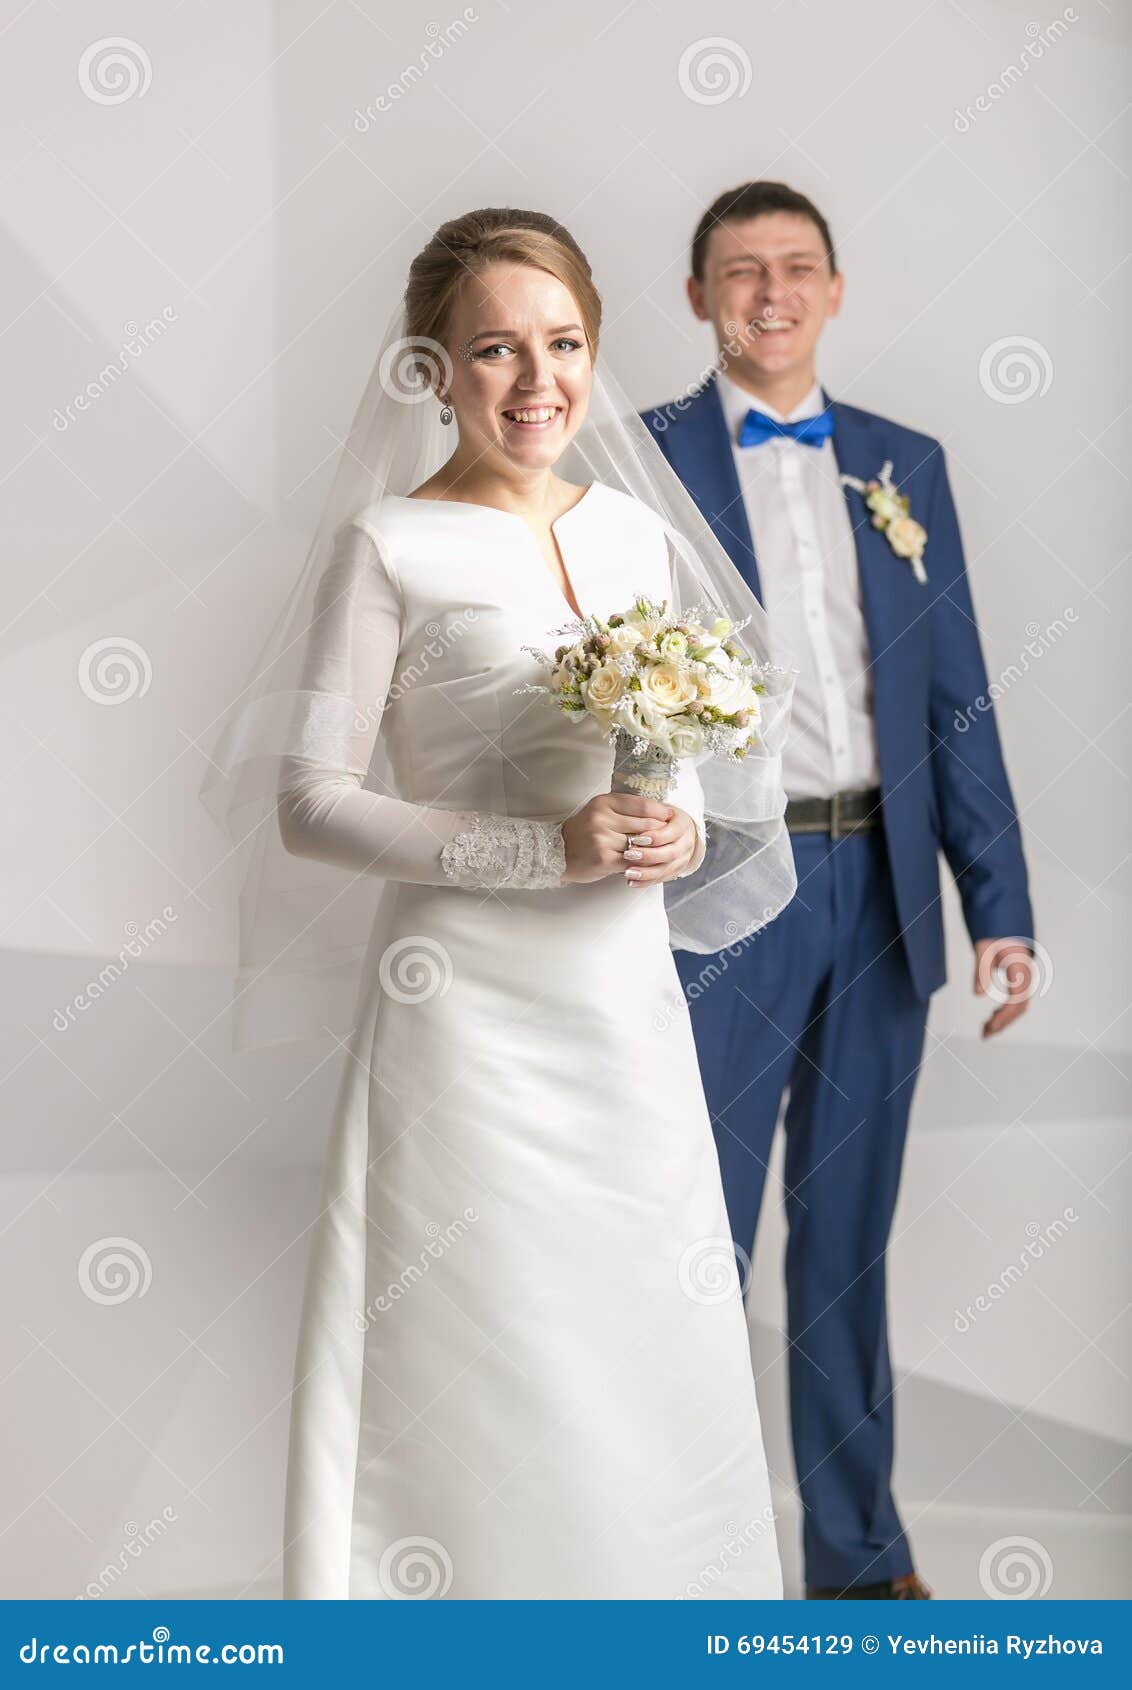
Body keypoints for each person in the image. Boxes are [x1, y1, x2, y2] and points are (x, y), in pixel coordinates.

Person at [199, 207, 798, 1599]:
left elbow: (692, 776)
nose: (538, 380)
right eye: (493, 350)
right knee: (474, 1332)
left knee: (636, 1317)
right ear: (433, 370)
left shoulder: (644, 537)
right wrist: (542, 852)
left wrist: (667, 828)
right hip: (459, 1012)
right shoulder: (393, 542)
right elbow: (307, 798)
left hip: (621, 1008)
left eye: (566, 342)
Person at [643, 181, 1035, 1600]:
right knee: (695, 1234)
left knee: (845, 1245)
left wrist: (1000, 904)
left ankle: (860, 1570)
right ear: (696, 297)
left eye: (796, 268)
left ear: (835, 288)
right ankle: (675, 1559)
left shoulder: (903, 464)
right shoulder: (641, 459)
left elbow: (957, 698)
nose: (769, 294)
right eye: (739, 272)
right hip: (721, 890)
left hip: (881, 890)